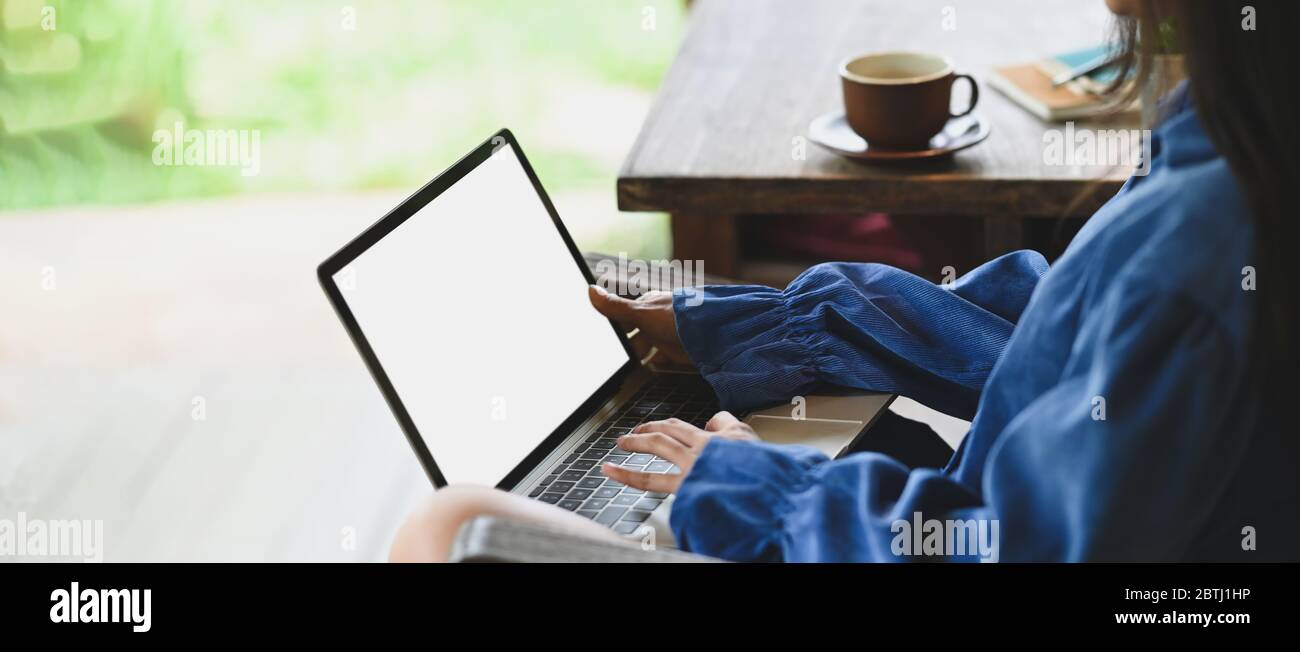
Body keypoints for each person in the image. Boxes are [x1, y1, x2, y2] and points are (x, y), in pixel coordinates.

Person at [389, 0, 1300, 562]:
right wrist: (763, 326)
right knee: (833, 433)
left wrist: (755, 489)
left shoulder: (1205, 240)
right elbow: (1054, 342)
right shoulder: (1232, 144)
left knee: (448, 521)